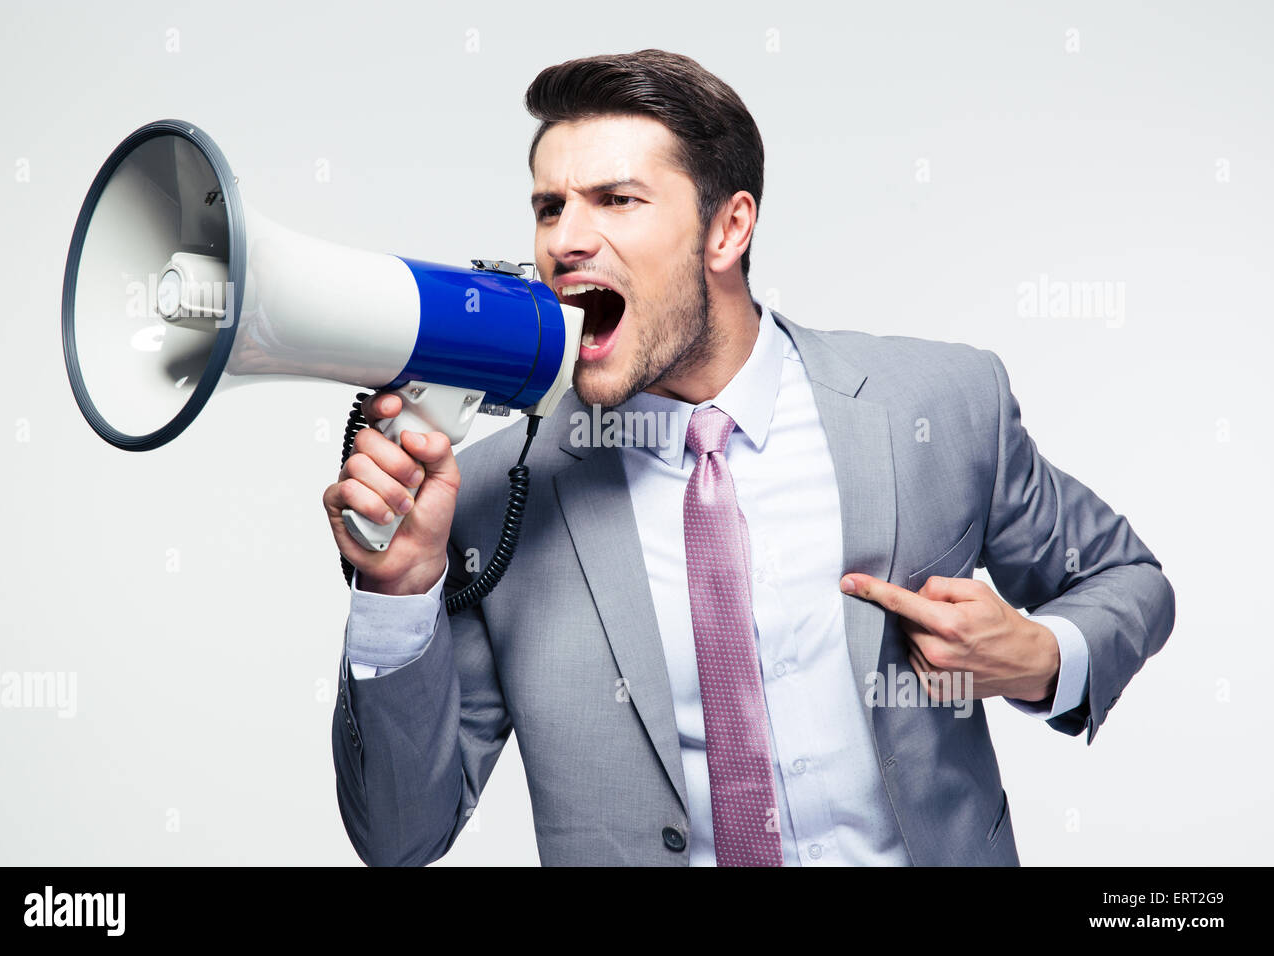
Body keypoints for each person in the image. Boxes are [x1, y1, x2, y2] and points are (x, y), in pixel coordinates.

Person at [323, 49, 1174, 866]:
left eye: (615, 200)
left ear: (728, 228)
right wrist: (397, 596)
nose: (564, 242)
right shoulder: (492, 494)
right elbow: (399, 834)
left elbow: (1128, 578)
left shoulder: (938, 403)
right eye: (550, 208)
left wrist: (1044, 656)